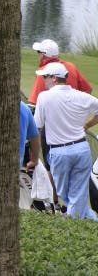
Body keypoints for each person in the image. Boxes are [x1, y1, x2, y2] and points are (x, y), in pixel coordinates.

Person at [34, 62, 98, 221]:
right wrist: (87, 125)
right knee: (77, 193)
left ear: (54, 78)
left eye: (45, 77)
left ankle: (74, 224)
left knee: (65, 192)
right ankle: (90, 221)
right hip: (81, 149)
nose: (43, 80)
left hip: (59, 151)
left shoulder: (44, 97)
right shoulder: (80, 96)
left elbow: (38, 125)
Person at [28, 39, 92, 105]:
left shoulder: (43, 73)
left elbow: (34, 103)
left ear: (42, 54)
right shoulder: (71, 66)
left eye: (38, 52)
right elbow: (87, 90)